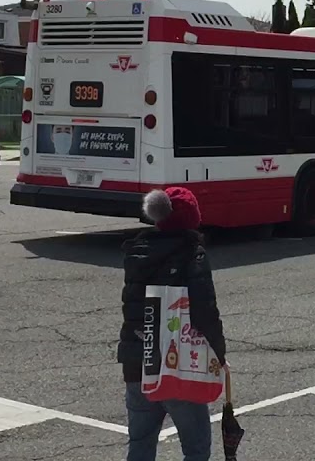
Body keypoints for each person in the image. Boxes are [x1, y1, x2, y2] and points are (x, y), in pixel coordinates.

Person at [118, 187, 227, 461]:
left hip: (137, 363)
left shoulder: (136, 253)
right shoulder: (193, 254)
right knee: (196, 446)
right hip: (179, 366)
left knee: (140, 443)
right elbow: (205, 313)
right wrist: (219, 356)